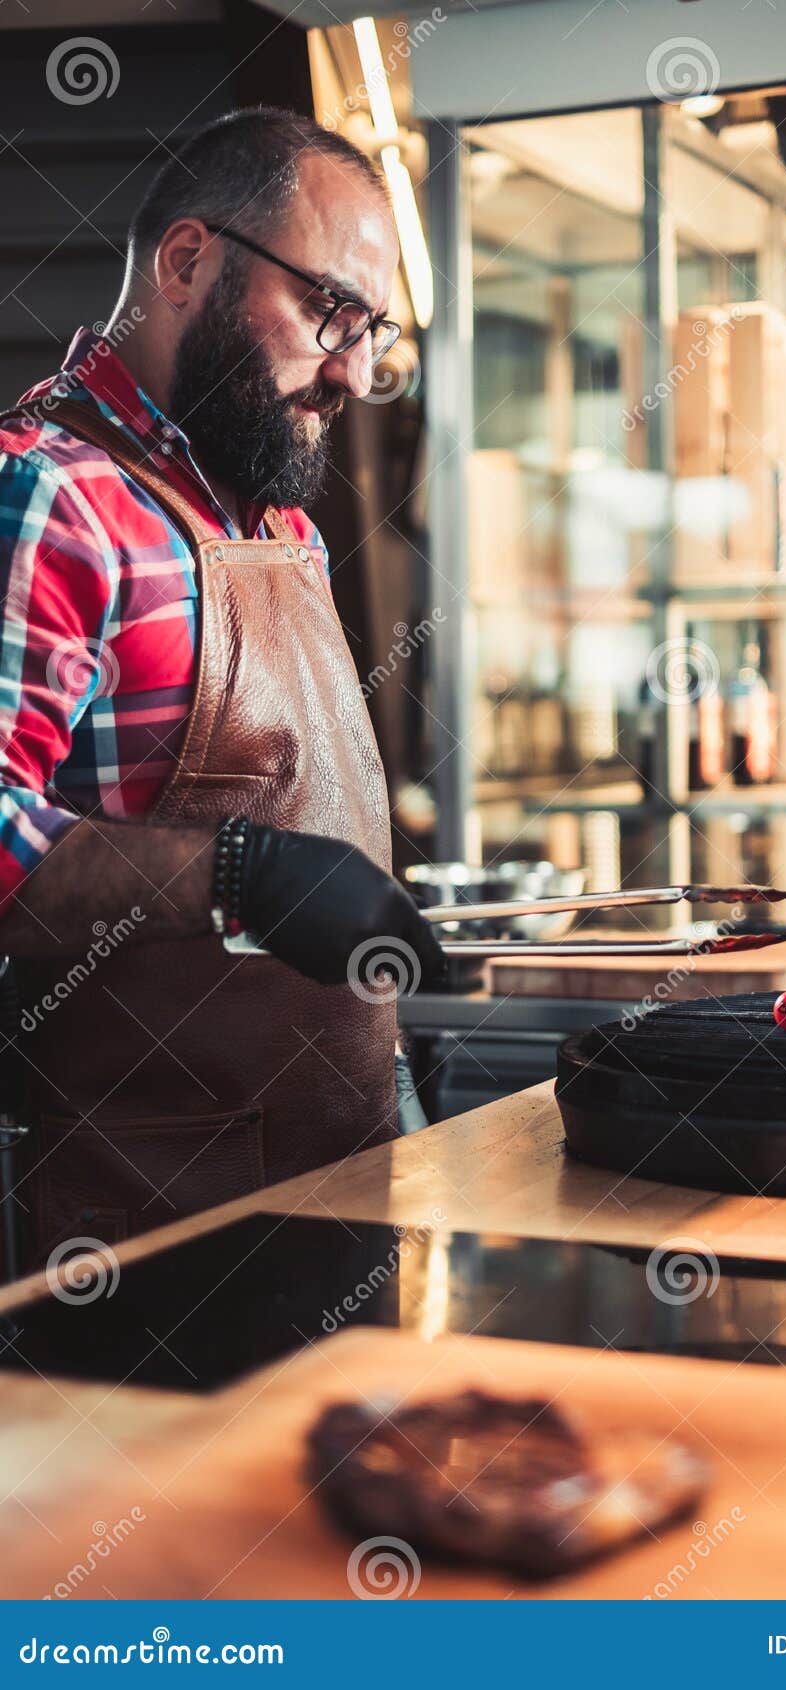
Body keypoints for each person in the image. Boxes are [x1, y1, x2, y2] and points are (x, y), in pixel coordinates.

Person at [0, 106, 444, 1262]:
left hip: (340, 1173)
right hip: (152, 1226)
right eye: (328, 311)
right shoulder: (49, 497)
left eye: (371, 330)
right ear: (188, 261)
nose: (353, 368)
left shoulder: (277, 520)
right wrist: (242, 875)